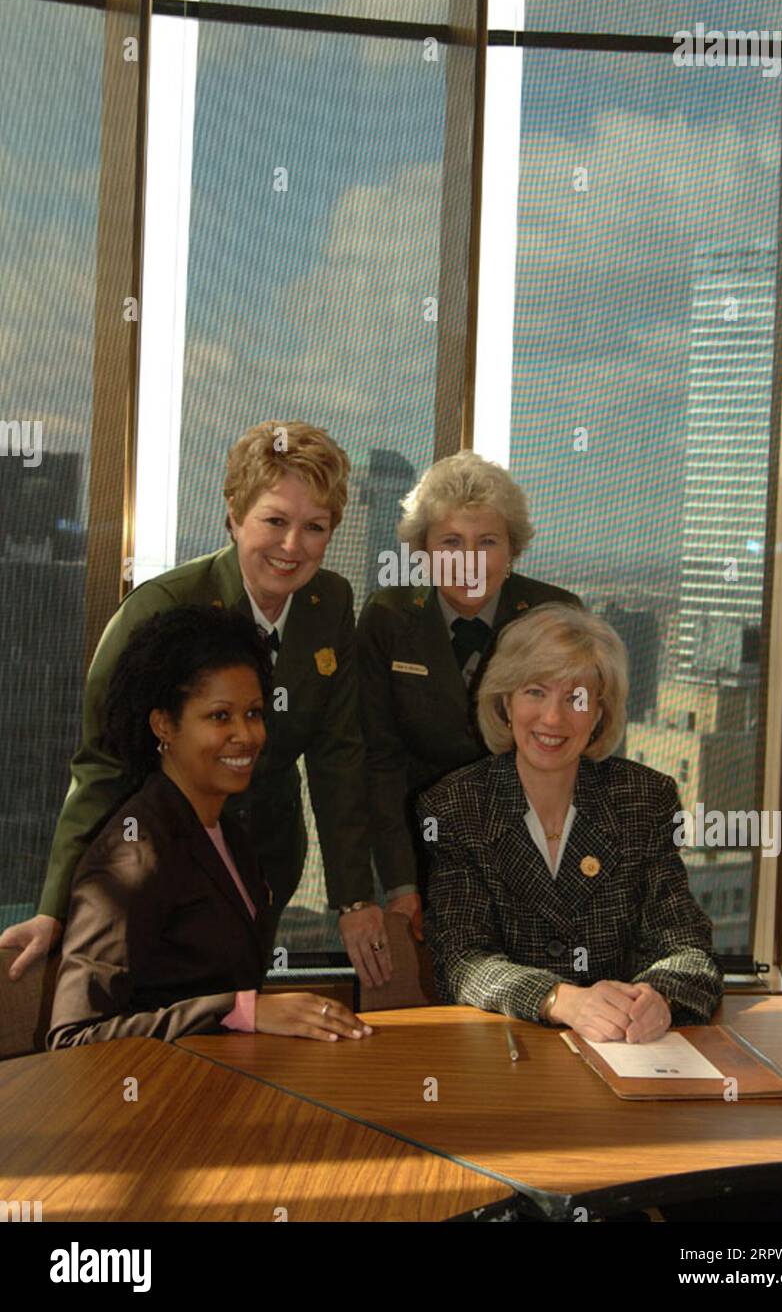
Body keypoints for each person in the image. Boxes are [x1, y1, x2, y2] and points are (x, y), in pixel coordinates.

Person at [2, 421, 398, 988]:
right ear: (234, 516)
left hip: (264, 860)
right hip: (161, 864)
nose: (293, 547)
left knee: (241, 1012)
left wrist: (354, 897)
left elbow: (338, 756)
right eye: (275, 521)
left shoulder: (329, 601)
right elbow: (103, 766)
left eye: (315, 527)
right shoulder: (161, 611)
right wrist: (58, 907)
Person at [47, 605, 372, 1047]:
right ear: (164, 724)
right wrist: (241, 1010)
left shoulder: (229, 832)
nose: (246, 734)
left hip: (222, 1085)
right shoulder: (132, 853)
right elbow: (75, 1037)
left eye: (254, 713)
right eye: (220, 717)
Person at [418, 603, 722, 1039]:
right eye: (535, 692)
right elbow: (463, 962)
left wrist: (660, 997)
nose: (553, 718)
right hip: (507, 1054)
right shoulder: (455, 805)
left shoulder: (643, 799)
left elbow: (686, 943)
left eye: (576, 698)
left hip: (625, 1049)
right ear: (504, 700)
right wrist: (561, 999)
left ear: (600, 712)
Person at [357, 451, 582, 930]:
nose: (469, 562)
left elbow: (582, 761)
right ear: (422, 551)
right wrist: (401, 884)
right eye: (451, 542)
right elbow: (380, 761)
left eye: (487, 542)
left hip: (531, 851)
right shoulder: (389, 617)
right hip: (417, 850)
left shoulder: (554, 614)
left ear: (513, 549)